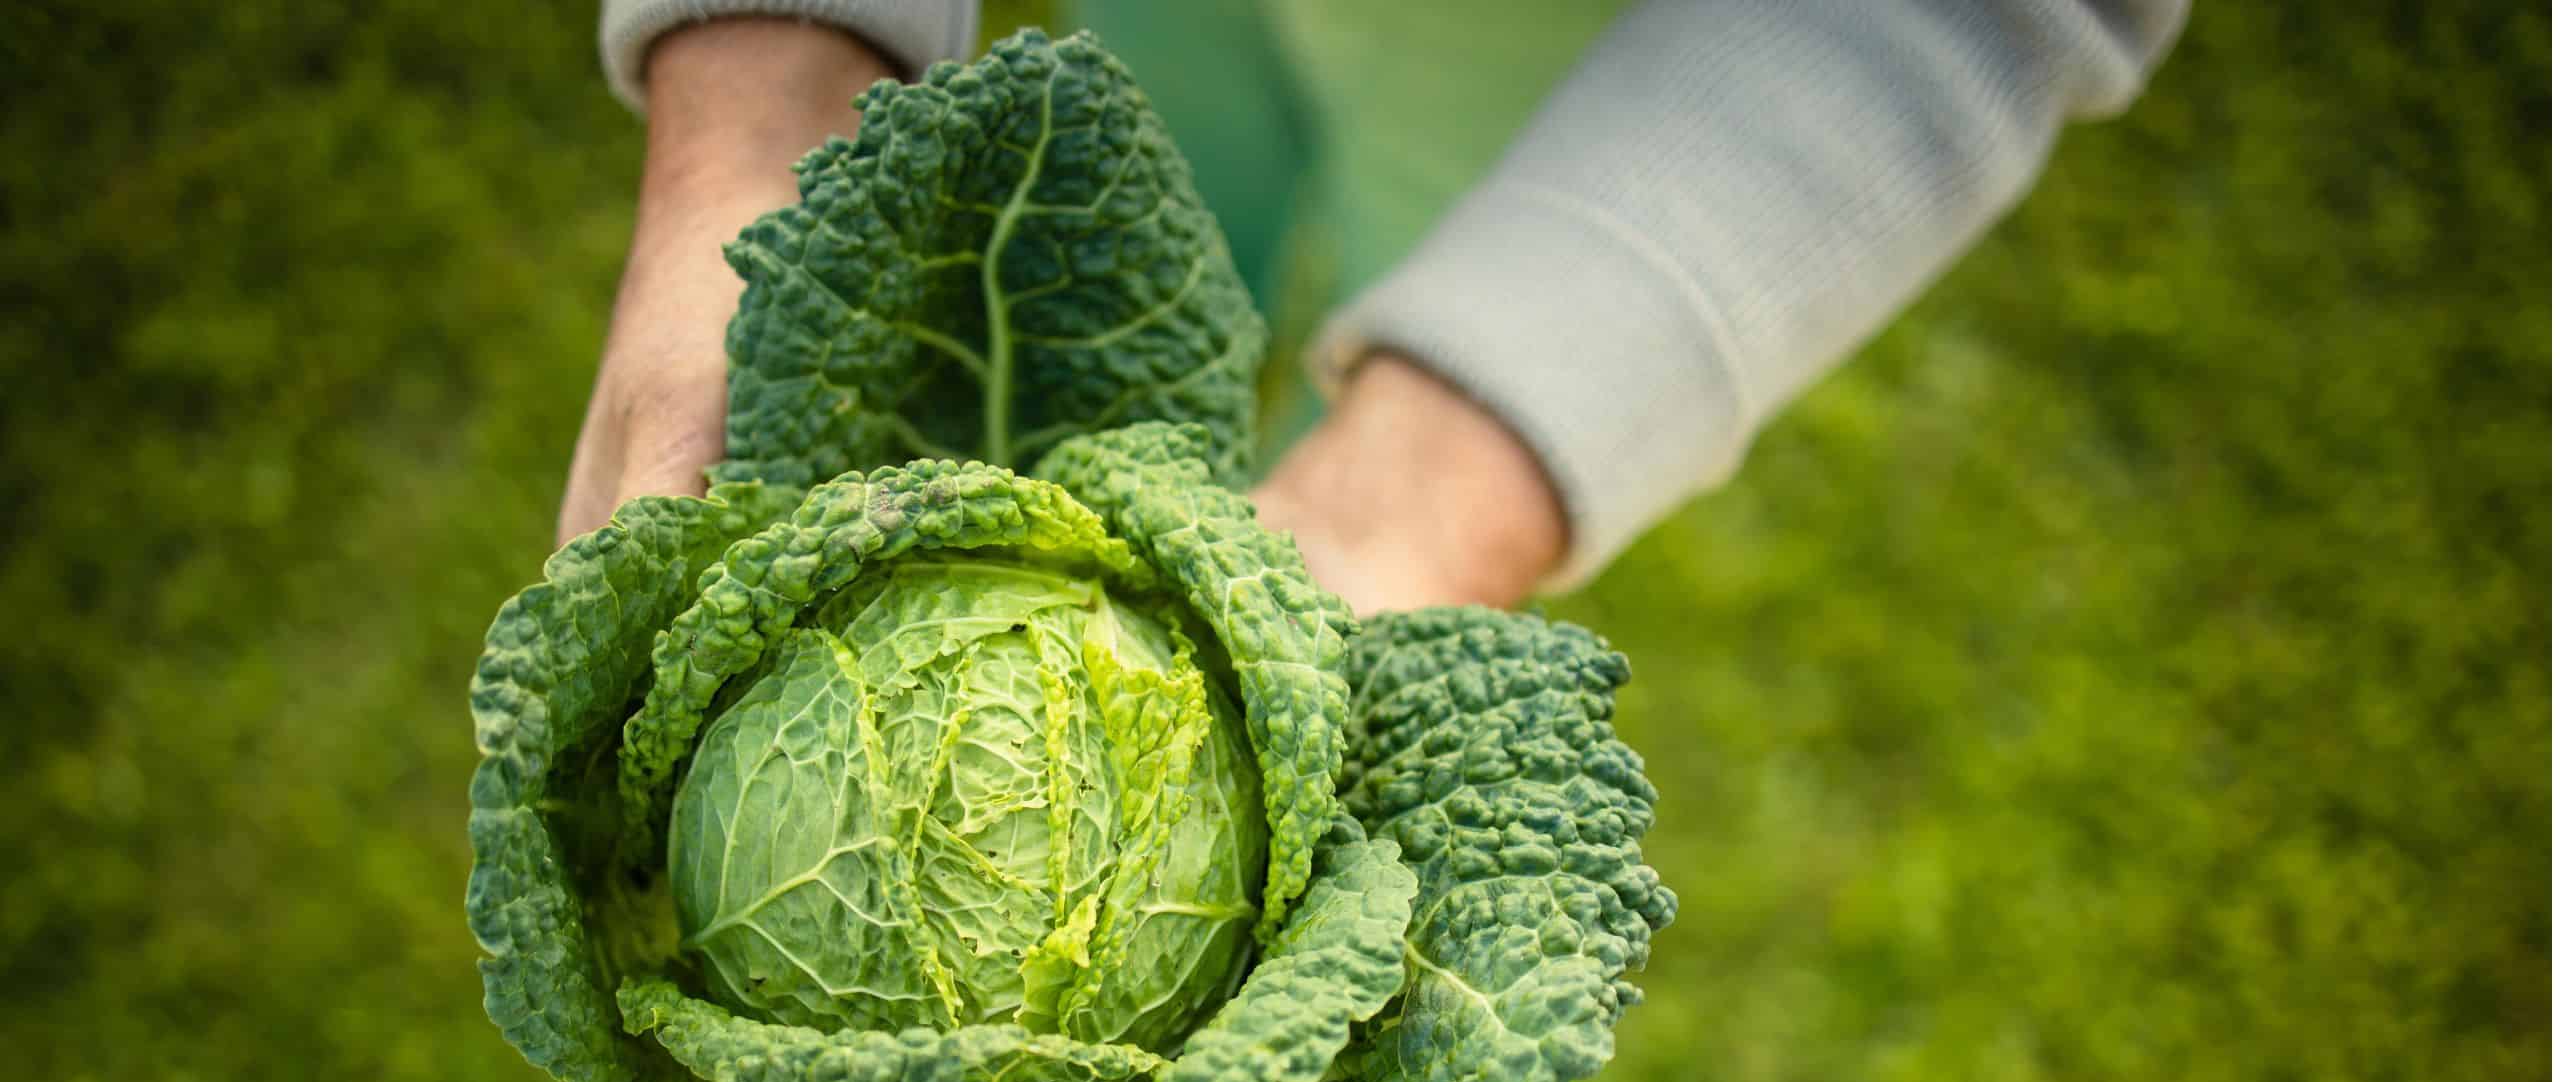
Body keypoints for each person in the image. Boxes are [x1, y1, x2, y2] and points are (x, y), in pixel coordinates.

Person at [561, 1, 2187, 614]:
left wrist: (1466, 460)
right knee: (1108, 234)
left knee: (1447, 263)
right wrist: (759, 118)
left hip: (1586, 72)